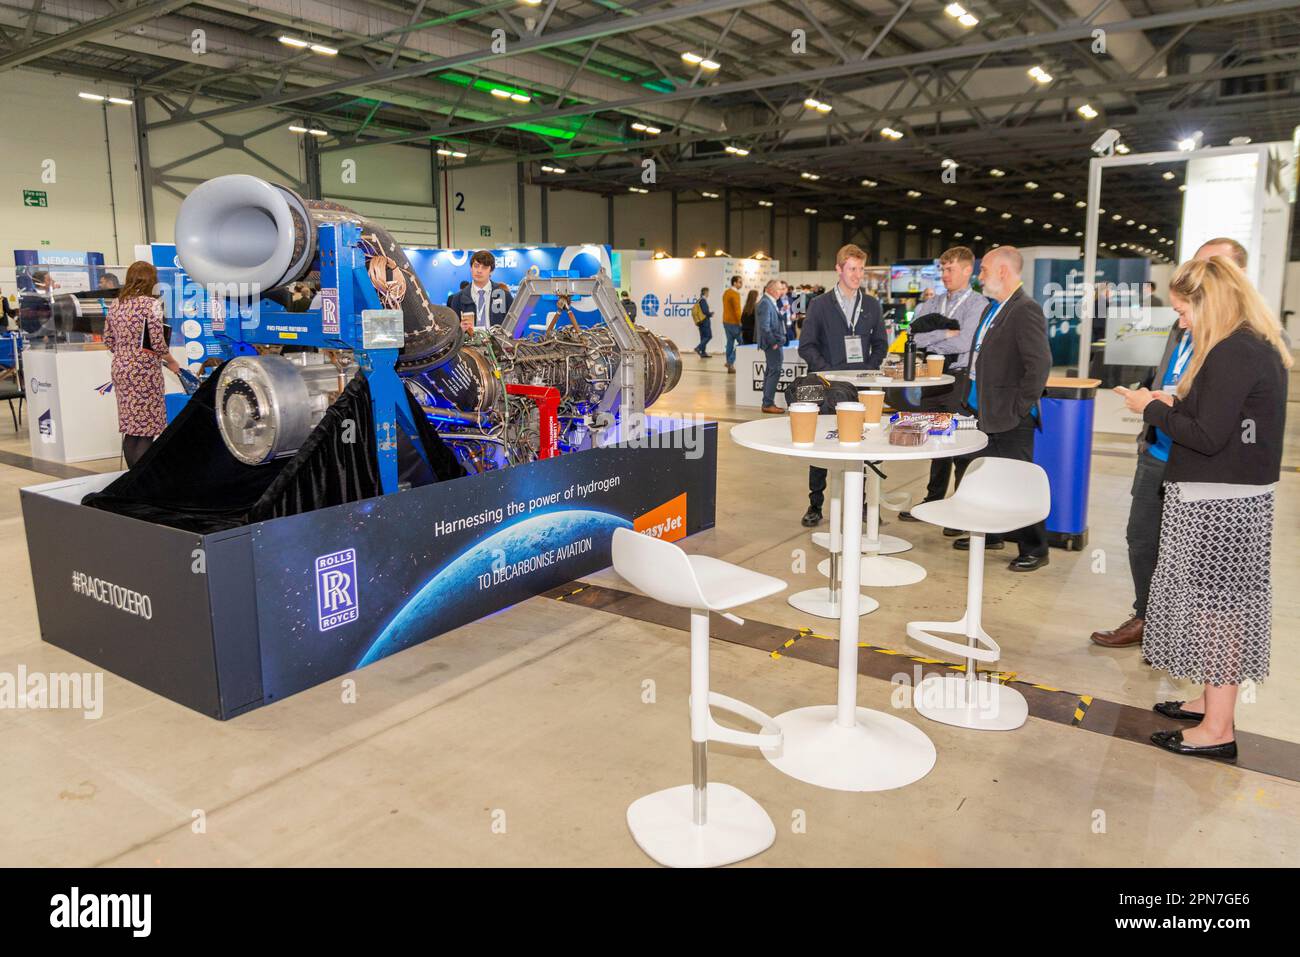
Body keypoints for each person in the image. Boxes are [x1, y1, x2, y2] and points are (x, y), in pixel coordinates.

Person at [1117, 256, 1289, 761]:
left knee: (1220, 616)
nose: (1181, 322)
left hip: (1222, 504)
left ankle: (1217, 729)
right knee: (1219, 611)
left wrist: (1149, 408)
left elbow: (1209, 436)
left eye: (1184, 311)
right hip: (1227, 497)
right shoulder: (1247, 346)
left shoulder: (1233, 352)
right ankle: (1212, 705)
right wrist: (1169, 402)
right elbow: (1221, 418)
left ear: (1206, 301)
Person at [1091, 237, 1250, 648]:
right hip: (1157, 446)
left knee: (1190, 558)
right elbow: (1171, 373)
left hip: (1195, 458)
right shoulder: (1186, 322)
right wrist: (1152, 399)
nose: (1197, 279)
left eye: (1209, 270)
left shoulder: (1241, 339)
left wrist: (1168, 404)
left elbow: (1219, 418)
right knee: (1141, 538)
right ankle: (1147, 618)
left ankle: (1179, 635)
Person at [954, 245, 1052, 571]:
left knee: (1018, 481)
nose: (979, 276)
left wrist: (1019, 408)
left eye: (983, 271)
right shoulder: (992, 308)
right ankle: (991, 534)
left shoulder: (1025, 309)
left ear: (1003, 272)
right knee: (985, 478)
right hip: (982, 409)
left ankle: (1035, 548)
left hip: (1009, 415)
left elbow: (1038, 367)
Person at [797, 244, 888, 526]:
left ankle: (860, 503)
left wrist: (868, 369)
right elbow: (806, 346)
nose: (857, 275)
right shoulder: (820, 305)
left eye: (861, 269)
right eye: (852, 269)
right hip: (826, 386)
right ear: (838, 269)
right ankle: (815, 503)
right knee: (821, 445)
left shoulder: (871, 305)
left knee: (859, 444)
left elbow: (881, 344)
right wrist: (828, 372)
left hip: (861, 387)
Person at [900, 246, 989, 524]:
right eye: (942, 269)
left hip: (960, 378)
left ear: (967, 270)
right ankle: (933, 501)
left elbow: (965, 342)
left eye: (950, 269)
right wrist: (946, 332)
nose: (944, 274)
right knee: (936, 441)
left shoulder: (978, 304)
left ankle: (963, 508)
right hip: (932, 378)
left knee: (961, 444)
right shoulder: (932, 303)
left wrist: (934, 336)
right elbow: (912, 335)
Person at [103, 261, 181, 468]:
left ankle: (130, 479)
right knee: (146, 430)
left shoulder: (116, 304)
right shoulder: (151, 304)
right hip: (144, 373)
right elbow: (157, 342)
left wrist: (125, 354)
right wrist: (172, 362)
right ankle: (138, 482)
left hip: (121, 369)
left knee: (132, 429)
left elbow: (108, 340)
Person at [448, 252, 513, 331]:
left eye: (484, 267)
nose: (479, 270)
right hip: (469, 342)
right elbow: (452, 333)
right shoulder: (458, 298)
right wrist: (459, 329)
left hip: (497, 342)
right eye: (476, 266)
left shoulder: (503, 295)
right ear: (471, 268)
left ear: (491, 271)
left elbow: (515, 328)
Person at [756, 279, 785, 413]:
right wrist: (773, 343)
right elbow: (764, 327)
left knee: (771, 371)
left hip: (774, 342)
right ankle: (768, 403)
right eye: (779, 289)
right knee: (774, 371)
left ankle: (767, 402)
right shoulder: (765, 303)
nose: (781, 292)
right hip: (772, 344)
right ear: (771, 290)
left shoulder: (769, 302)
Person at [722, 275, 743, 373]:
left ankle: (730, 365)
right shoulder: (735, 294)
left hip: (726, 321)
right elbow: (737, 311)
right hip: (734, 322)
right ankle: (730, 361)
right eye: (739, 282)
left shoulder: (726, 293)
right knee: (742, 343)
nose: (741, 284)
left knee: (730, 343)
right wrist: (740, 322)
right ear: (734, 283)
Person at [692, 287, 713, 357]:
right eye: (708, 292)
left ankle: (703, 353)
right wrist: (710, 314)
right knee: (709, 336)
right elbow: (705, 311)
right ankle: (698, 348)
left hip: (700, 322)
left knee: (703, 337)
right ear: (705, 292)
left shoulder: (699, 300)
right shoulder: (703, 300)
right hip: (705, 321)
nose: (708, 294)